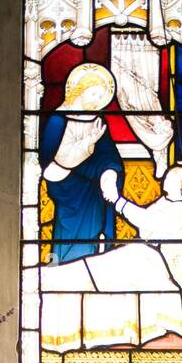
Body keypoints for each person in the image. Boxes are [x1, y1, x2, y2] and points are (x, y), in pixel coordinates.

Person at [40, 63, 124, 264]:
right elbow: (52, 157)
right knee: (69, 229)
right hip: (66, 185)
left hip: (91, 187)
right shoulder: (58, 119)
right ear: (81, 90)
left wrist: (109, 174)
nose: (95, 100)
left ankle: (94, 267)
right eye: (93, 93)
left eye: (99, 96)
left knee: (96, 227)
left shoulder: (97, 120)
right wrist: (88, 142)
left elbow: (108, 154)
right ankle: (64, 267)